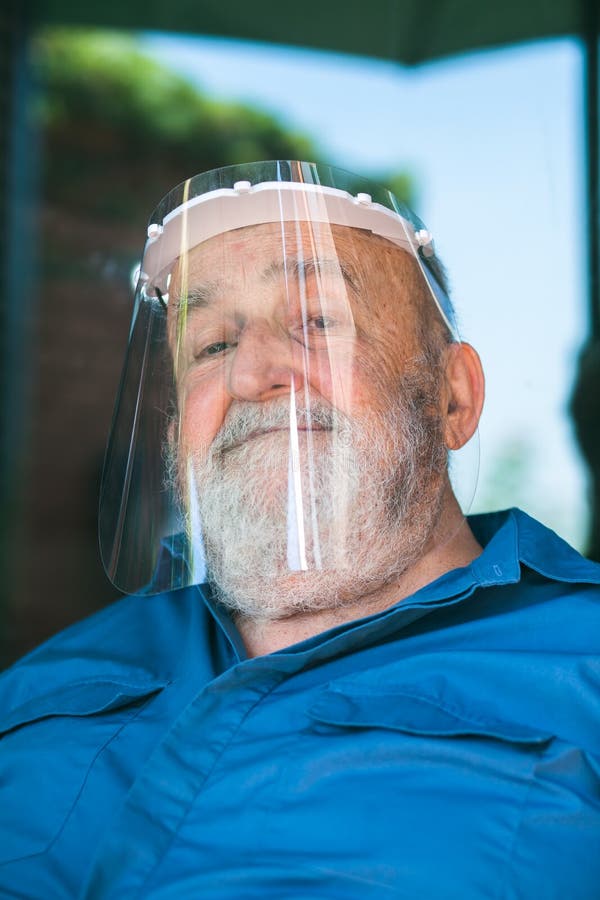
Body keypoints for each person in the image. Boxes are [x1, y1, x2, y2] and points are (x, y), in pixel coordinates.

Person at [1, 160, 599, 899]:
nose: (252, 373)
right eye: (212, 344)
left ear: (454, 397)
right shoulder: (46, 678)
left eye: (318, 322)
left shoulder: (583, 665)